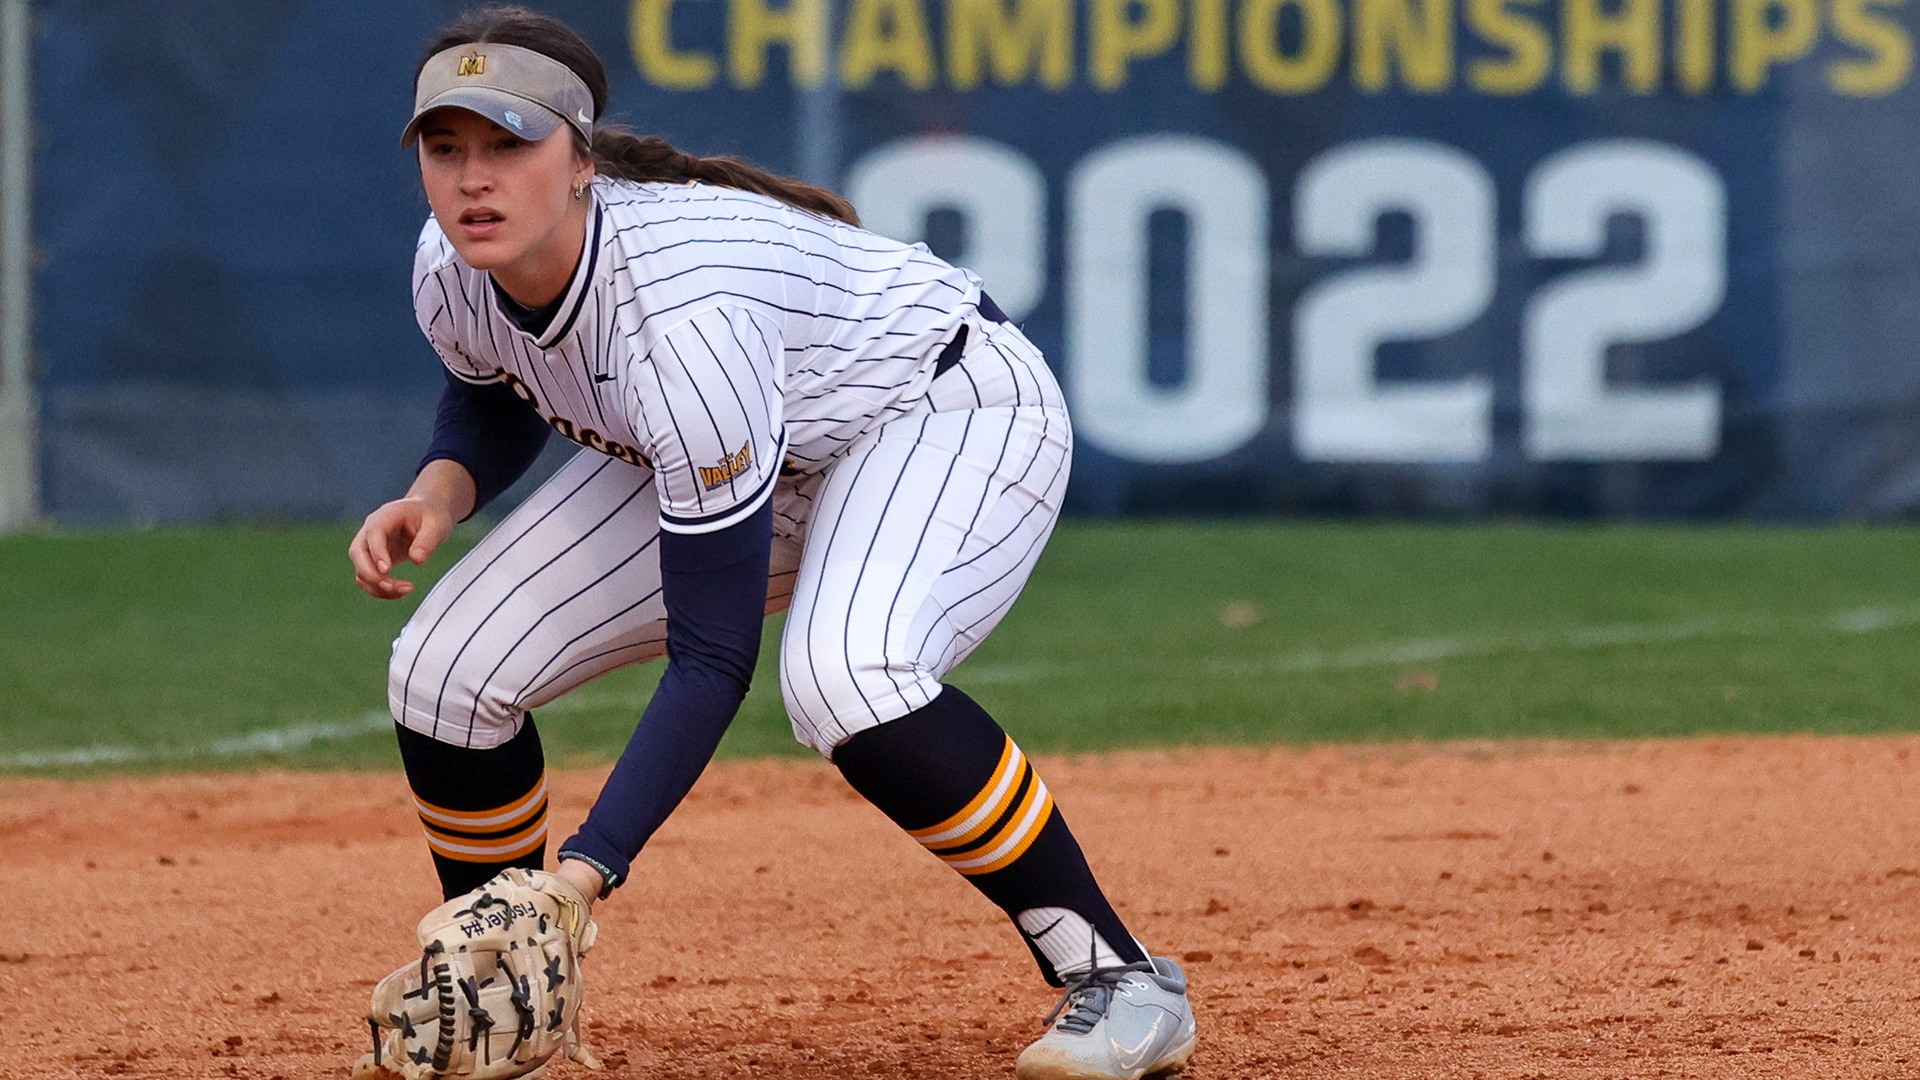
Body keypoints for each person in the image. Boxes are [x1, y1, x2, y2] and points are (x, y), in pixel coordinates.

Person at [347, 7, 1196, 1078]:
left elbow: (713, 657)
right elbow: (496, 385)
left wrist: (581, 875)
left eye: (509, 144)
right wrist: (440, 488)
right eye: (446, 147)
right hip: (755, 434)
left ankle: (1120, 978)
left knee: (846, 679)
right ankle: (500, 997)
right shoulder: (451, 262)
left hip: (940, 408)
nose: (475, 178)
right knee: (444, 673)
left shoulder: (682, 316)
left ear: (581, 160)